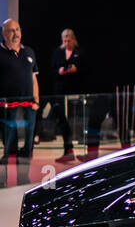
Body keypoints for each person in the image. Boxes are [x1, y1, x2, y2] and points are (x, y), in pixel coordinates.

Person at [0, 19, 39, 186]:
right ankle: (2, 181)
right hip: (6, 109)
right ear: (3, 33)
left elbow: (34, 78)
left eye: (17, 30)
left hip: (29, 108)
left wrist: (36, 101)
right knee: (7, 147)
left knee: (27, 146)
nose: (15, 34)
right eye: (11, 30)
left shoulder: (29, 52)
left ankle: (23, 180)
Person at [41, 28, 81, 162]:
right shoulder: (57, 52)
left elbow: (82, 69)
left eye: (69, 40)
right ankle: (68, 150)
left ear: (73, 40)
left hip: (74, 93)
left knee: (74, 121)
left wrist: (72, 69)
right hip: (60, 92)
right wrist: (61, 71)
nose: (66, 43)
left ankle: (76, 149)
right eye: (64, 41)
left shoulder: (78, 52)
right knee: (62, 120)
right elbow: (52, 70)